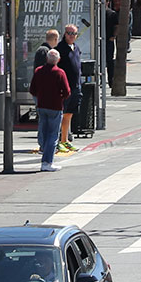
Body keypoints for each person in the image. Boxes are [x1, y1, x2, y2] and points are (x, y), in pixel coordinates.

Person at [29, 48, 71, 172]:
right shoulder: (60, 73)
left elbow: (32, 89)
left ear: (47, 59)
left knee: (44, 131)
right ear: (58, 60)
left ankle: (43, 151)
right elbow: (67, 91)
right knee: (53, 135)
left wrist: (40, 97)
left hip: (42, 106)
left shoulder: (39, 71)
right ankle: (47, 162)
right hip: (55, 106)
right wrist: (61, 97)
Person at [58, 24, 82, 154]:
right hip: (65, 87)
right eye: (69, 33)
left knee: (69, 113)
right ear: (65, 34)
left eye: (74, 34)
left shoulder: (76, 48)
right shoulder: (60, 48)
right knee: (62, 114)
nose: (72, 36)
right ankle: (59, 141)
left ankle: (65, 140)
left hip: (76, 86)